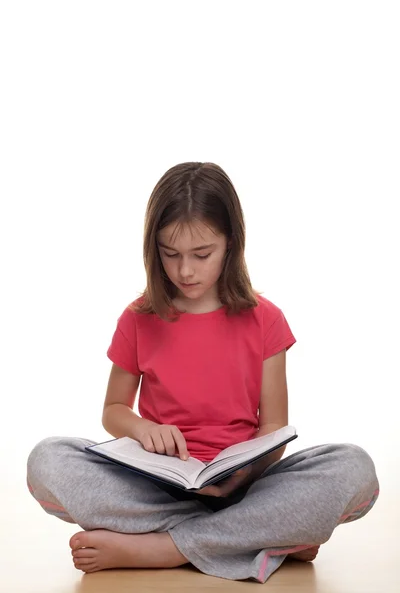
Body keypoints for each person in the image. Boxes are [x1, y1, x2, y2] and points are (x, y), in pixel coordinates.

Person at [27, 162, 380, 584]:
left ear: (231, 244)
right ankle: (259, 535)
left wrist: (246, 474)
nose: (185, 271)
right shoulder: (138, 318)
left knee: (352, 467)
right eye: (170, 254)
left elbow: (273, 427)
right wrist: (141, 428)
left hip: (245, 488)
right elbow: (114, 409)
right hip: (158, 486)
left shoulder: (265, 320)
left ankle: (166, 547)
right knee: (48, 459)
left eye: (202, 254)